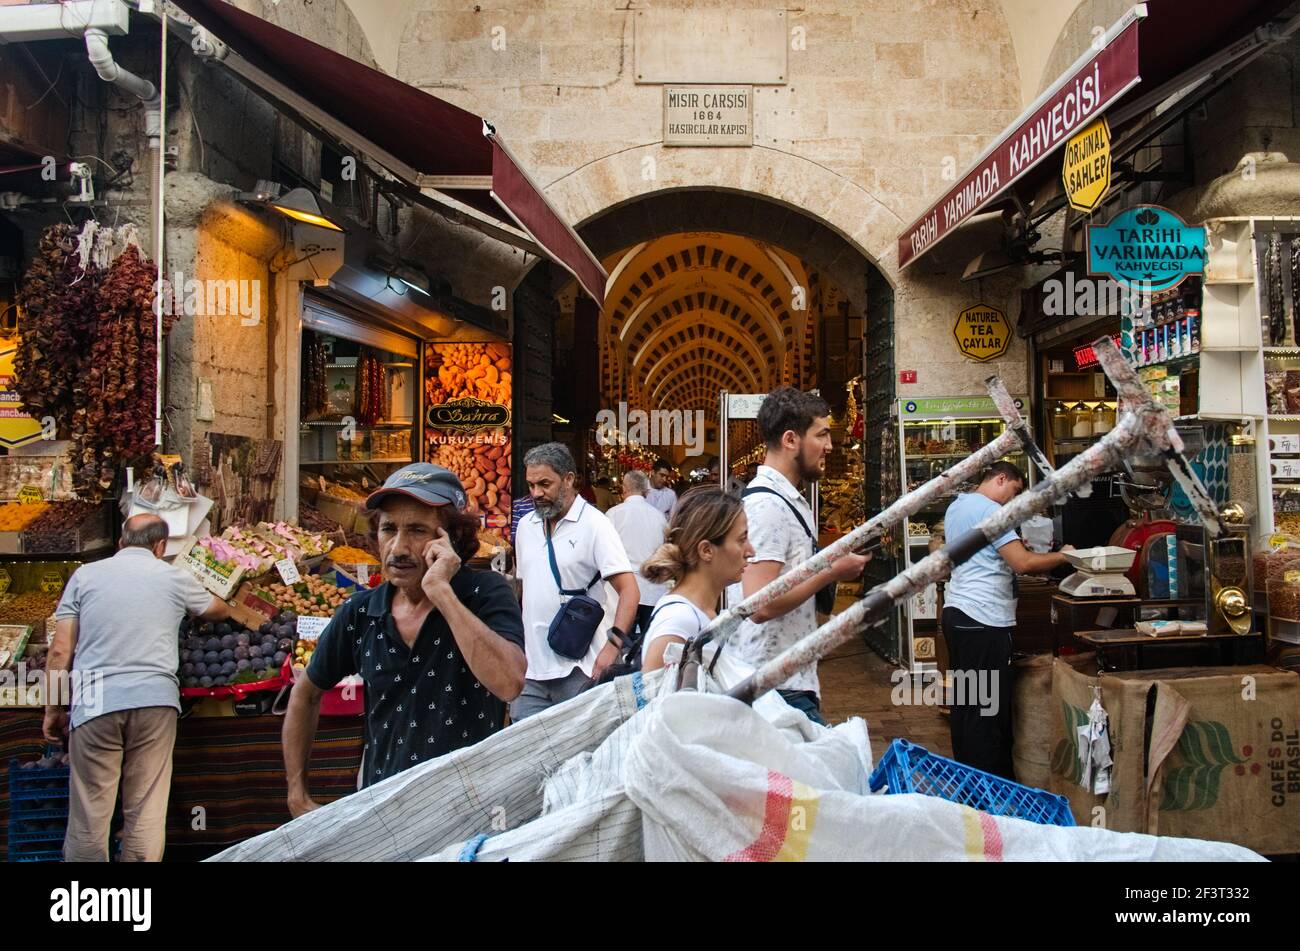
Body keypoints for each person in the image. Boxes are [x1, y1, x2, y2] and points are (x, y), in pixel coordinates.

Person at [283, 463, 525, 815]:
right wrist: (297, 793)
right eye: (388, 529)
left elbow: (509, 683)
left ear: (450, 540)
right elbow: (305, 692)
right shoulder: (362, 612)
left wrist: (441, 592)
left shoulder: (484, 592)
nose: (398, 547)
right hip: (384, 808)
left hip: (471, 807)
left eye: (416, 530)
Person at [48, 513, 232, 862]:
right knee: (146, 809)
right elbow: (218, 610)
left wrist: (54, 709)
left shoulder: (84, 576)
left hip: (95, 701)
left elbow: (60, 651)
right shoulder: (174, 576)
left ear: (120, 543)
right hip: (154, 700)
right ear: (160, 547)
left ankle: (89, 906)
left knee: (90, 814)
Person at [733, 387, 869, 726]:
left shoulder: (789, 500)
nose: (830, 445)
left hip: (789, 679)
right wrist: (831, 572)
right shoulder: (767, 507)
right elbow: (759, 604)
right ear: (791, 439)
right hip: (775, 686)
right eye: (822, 434)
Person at [941, 461, 1072, 779]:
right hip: (983, 618)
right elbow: (1023, 563)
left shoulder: (958, 507)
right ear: (1001, 479)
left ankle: (970, 781)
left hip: (959, 612)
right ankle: (989, 787)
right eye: (1014, 491)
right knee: (987, 710)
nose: (1014, 501)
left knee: (968, 703)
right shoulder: (990, 512)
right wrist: (1067, 555)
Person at [514, 442, 640, 719]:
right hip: (530, 670)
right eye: (531, 485)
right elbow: (525, 590)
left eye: (545, 484)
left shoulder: (596, 524)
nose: (536, 493)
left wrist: (613, 646)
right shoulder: (525, 527)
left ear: (569, 479)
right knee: (526, 755)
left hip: (580, 667)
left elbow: (629, 589)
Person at [640, 488, 753, 672]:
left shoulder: (697, 614)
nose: (750, 552)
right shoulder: (680, 621)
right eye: (741, 540)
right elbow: (652, 696)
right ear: (706, 550)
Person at [605, 469, 668, 650]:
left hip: (621, 591)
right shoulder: (659, 517)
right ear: (646, 491)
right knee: (648, 645)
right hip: (652, 588)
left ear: (624, 488)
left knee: (620, 644)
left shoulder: (613, 515)